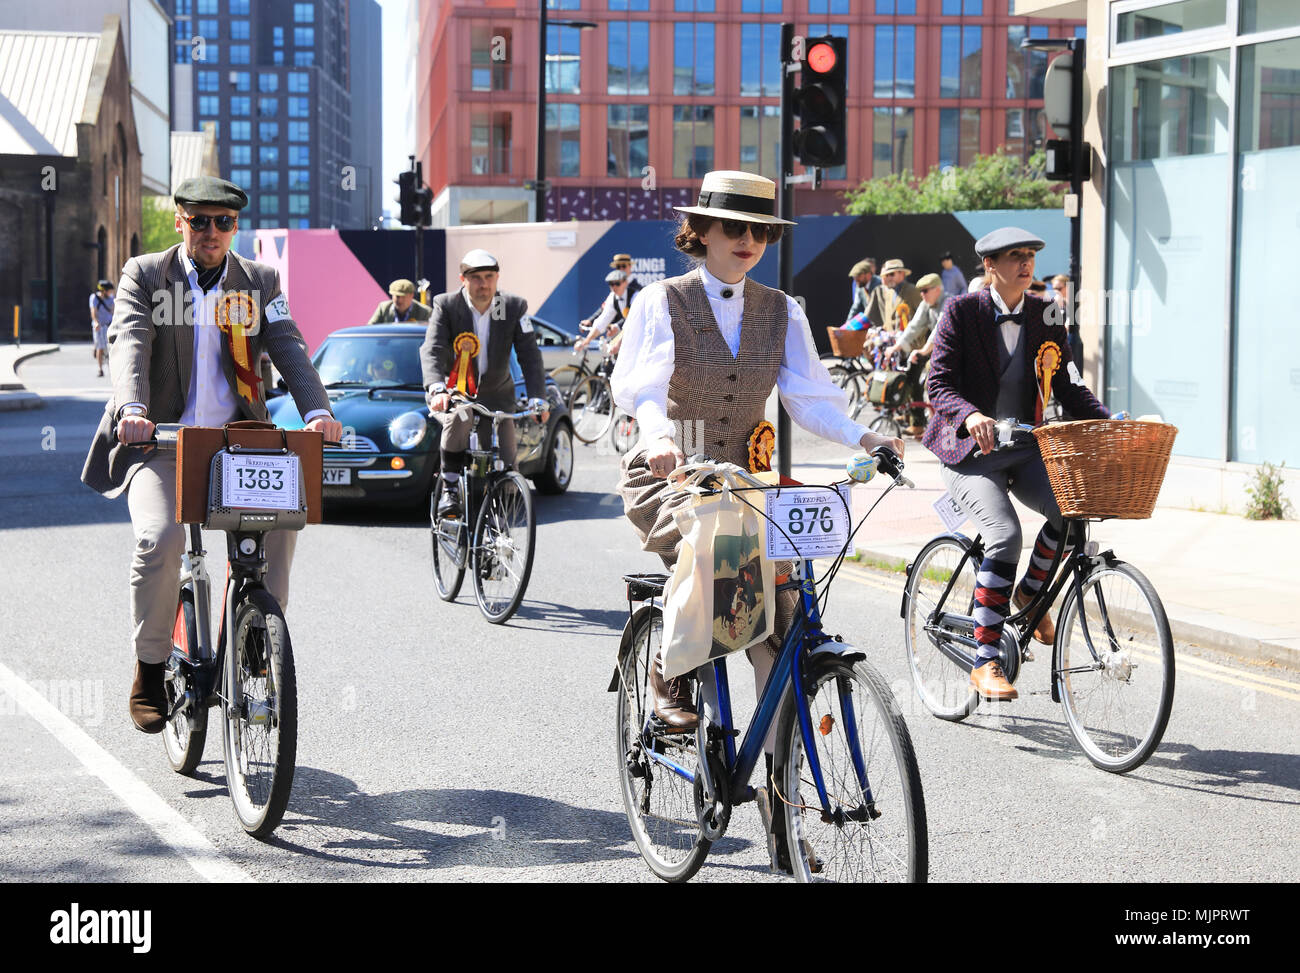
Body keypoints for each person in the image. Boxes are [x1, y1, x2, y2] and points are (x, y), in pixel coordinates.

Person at [611, 169, 903, 873]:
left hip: (750, 479)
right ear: (701, 232)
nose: (748, 241)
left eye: (760, 230)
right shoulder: (660, 301)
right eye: (734, 228)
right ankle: (670, 673)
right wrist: (656, 437)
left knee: (782, 629)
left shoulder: (782, 310)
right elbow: (642, 389)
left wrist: (866, 437)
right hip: (671, 471)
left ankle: (782, 817)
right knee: (719, 547)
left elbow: (810, 399)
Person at [80, 176, 342, 734]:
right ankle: (151, 667)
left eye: (223, 222)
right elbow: (130, 341)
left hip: (237, 442)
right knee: (160, 540)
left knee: (282, 525)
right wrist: (132, 408)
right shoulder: (146, 275)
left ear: (235, 227)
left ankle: (256, 635)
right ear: (181, 221)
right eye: (199, 220)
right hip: (159, 439)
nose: (211, 231)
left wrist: (317, 410)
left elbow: (289, 345)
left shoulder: (261, 281)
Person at [922, 227, 1111, 702]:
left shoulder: (1047, 313)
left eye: (1029, 255)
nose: (1025, 263)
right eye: (1014, 256)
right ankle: (984, 661)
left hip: (1026, 447)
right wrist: (971, 416)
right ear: (990, 265)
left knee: (1072, 514)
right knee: (1005, 536)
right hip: (970, 454)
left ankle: (1028, 594)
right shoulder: (961, 311)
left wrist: (1108, 424)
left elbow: (1069, 387)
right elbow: (938, 384)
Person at [421, 249, 549, 517]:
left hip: (498, 394)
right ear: (463, 279)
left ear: (497, 278)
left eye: (489, 277)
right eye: (476, 278)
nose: (484, 284)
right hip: (456, 392)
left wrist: (538, 396)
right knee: (461, 417)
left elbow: (529, 354)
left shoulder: (510, 306)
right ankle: (450, 487)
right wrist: (437, 388)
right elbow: (433, 349)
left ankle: (500, 518)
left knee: (508, 459)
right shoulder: (447, 305)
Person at [884, 272, 945, 435]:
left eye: (925, 291)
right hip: (937, 349)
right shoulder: (927, 304)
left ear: (937, 289)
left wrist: (924, 350)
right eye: (920, 291)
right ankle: (918, 422)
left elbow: (940, 330)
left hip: (955, 352)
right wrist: (896, 347)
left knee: (933, 382)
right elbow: (914, 326)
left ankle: (941, 424)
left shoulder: (949, 302)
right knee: (911, 374)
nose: (922, 295)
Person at [579, 253, 643, 333]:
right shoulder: (614, 291)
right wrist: (590, 320)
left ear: (630, 266)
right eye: (618, 267)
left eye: (624, 266)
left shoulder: (638, 291)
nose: (621, 269)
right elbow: (605, 308)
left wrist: (617, 326)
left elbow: (634, 315)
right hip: (615, 333)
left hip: (632, 332)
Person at [574, 269, 635, 353]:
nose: (614, 287)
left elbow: (633, 320)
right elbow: (603, 320)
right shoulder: (612, 297)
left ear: (625, 283)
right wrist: (586, 341)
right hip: (627, 335)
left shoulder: (635, 296)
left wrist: (617, 327)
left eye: (617, 283)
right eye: (611, 284)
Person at [865, 258, 923, 332]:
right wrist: (880, 331)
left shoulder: (912, 290)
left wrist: (914, 336)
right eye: (886, 275)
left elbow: (923, 318)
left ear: (902, 274)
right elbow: (888, 321)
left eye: (892, 274)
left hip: (910, 338)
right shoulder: (889, 293)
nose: (888, 278)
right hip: (891, 338)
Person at [1052, 274, 1083, 370]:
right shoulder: (1060, 301)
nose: (1056, 291)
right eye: (1054, 289)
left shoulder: (1075, 300)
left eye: (1059, 288)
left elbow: (1067, 325)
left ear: (1068, 286)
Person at [842, 258, 881, 326]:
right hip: (871, 324)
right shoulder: (860, 286)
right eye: (854, 277)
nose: (856, 279)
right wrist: (846, 325)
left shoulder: (880, 284)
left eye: (858, 276)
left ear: (868, 274)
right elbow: (855, 307)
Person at [89, 279, 114, 377]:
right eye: (109, 291)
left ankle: (112, 369)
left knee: (111, 347)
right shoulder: (94, 298)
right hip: (99, 326)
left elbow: (113, 311)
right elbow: (93, 312)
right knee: (100, 347)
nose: (111, 293)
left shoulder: (111, 298)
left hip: (109, 325)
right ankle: (100, 369)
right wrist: (96, 322)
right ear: (104, 290)